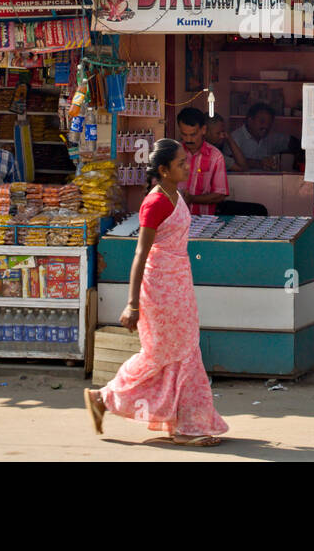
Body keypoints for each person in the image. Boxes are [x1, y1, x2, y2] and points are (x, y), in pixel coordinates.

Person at [84, 139, 229, 446]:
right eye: (180, 164)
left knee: (183, 352)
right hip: (161, 286)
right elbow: (140, 254)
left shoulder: (176, 194)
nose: (186, 167)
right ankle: (179, 423)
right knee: (165, 355)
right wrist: (132, 304)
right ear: (163, 170)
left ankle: (179, 423)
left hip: (179, 281)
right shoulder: (155, 202)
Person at [175, 107, 228, 216]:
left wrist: (192, 199)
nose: (188, 139)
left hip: (204, 221)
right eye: (184, 134)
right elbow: (158, 187)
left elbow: (220, 194)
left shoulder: (216, 157)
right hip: (176, 220)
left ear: (203, 130)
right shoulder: (172, 154)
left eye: (193, 134)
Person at [228, 103, 299, 171]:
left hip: (268, 182)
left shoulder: (271, 136)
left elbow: (293, 142)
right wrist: (258, 163)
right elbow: (228, 161)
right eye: (262, 122)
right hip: (243, 182)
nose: (266, 126)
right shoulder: (234, 138)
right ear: (250, 121)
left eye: (269, 123)